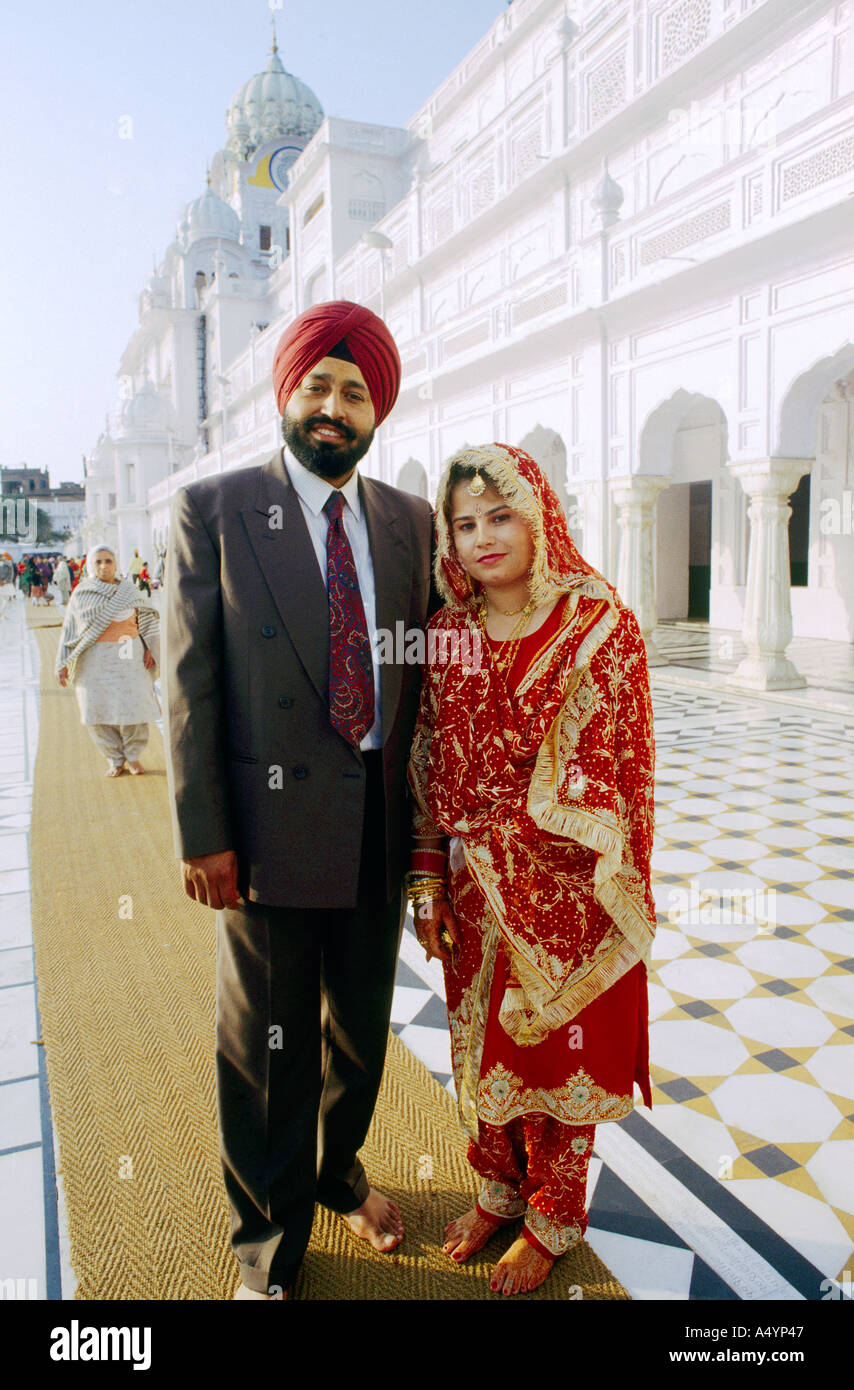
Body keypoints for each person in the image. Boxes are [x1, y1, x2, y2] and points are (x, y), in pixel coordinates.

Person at [164, 300, 435, 1300]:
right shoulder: (218, 509)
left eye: (354, 391)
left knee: (361, 1039)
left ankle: (336, 1173)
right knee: (268, 1049)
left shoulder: (408, 521)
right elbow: (186, 688)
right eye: (316, 386)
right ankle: (267, 1249)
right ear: (286, 394)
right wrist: (204, 832)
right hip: (267, 836)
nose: (333, 407)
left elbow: (433, 670)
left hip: (375, 831)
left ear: (376, 412)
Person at [407, 444, 656, 1297]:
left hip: (572, 887)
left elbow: (624, 763)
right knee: (481, 1046)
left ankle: (552, 1215)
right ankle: (498, 1187)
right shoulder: (449, 632)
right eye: (464, 523)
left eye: (500, 515)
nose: (482, 537)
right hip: (475, 882)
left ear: (540, 513)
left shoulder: (598, 625)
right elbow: (432, 756)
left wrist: (537, 823)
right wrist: (428, 878)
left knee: (556, 1056)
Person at [55, 544, 161, 776]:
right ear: (90, 566)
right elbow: (69, 630)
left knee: (135, 707)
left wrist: (151, 648)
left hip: (129, 657)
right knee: (96, 710)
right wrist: (62, 662)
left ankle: (133, 756)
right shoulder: (81, 593)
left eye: (108, 561)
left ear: (116, 564)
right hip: (93, 661)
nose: (104, 566)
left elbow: (149, 619)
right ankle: (114, 758)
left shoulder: (130, 591)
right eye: (98, 562)